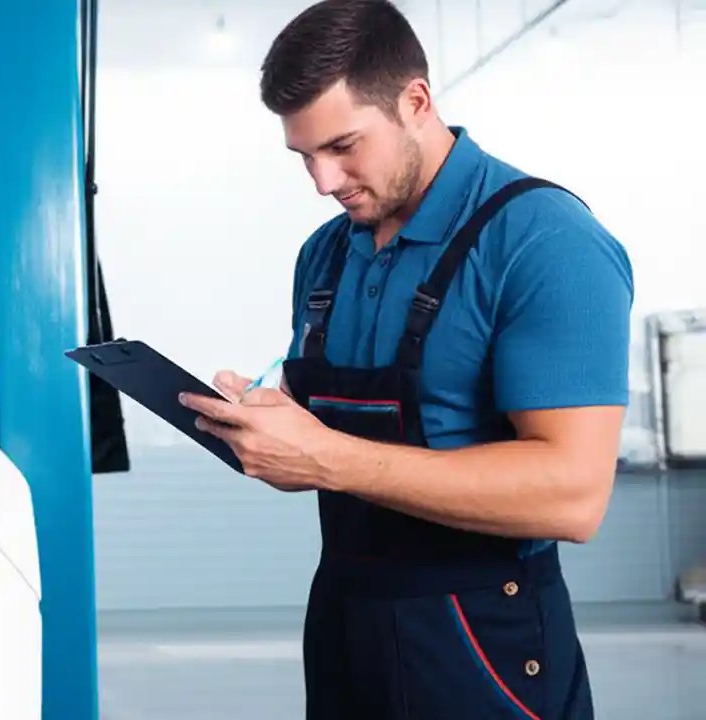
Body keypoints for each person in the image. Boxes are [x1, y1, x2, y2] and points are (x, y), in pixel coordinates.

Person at [177, 1, 633, 718]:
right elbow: (323, 412)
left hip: (484, 646)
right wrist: (266, 419)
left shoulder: (545, 243)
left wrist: (325, 459)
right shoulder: (325, 254)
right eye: (304, 155)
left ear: (415, 101)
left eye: (344, 146)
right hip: (345, 623)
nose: (323, 181)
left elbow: (574, 495)